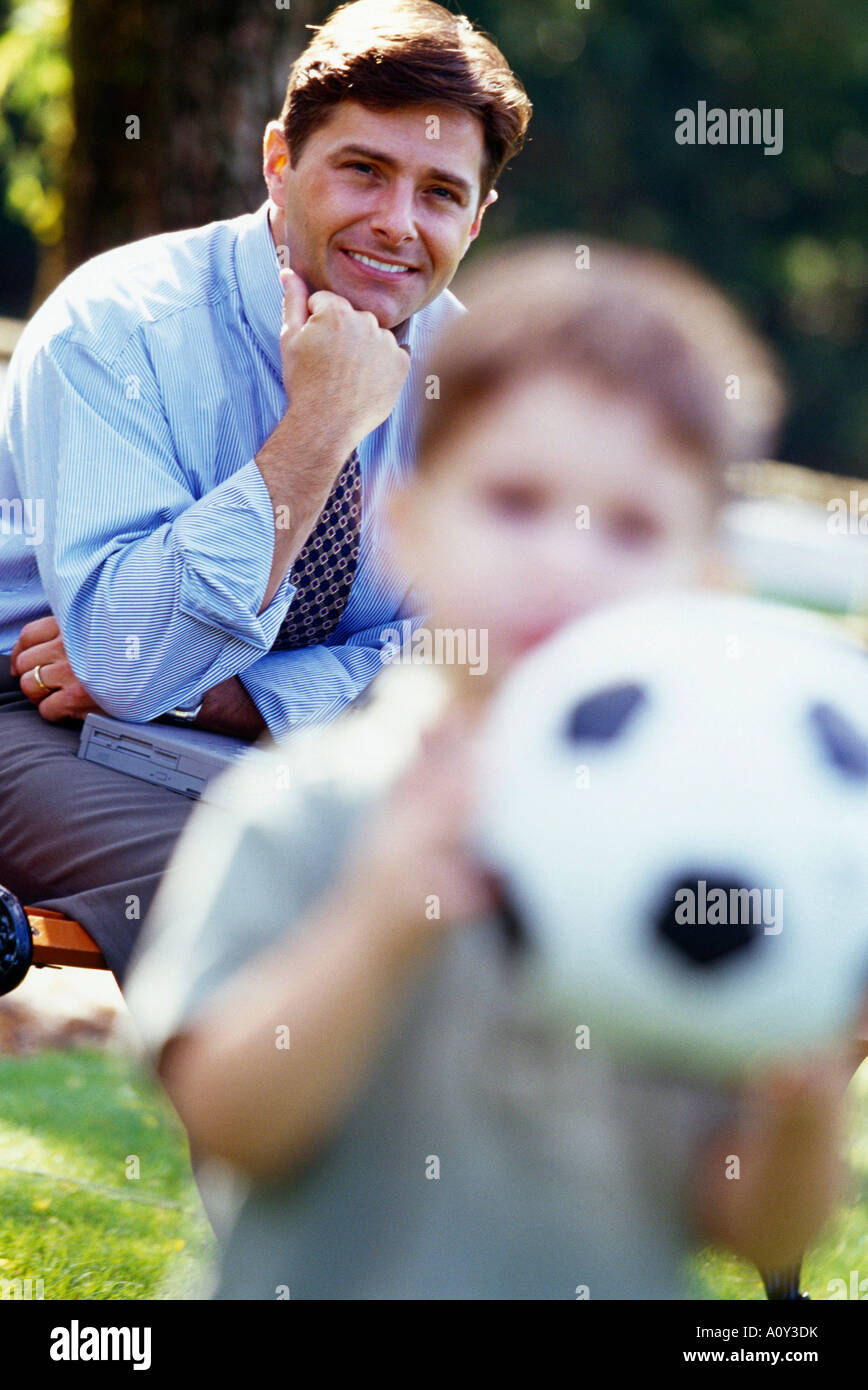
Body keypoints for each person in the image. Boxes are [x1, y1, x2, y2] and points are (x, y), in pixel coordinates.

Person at [123, 239, 848, 1301]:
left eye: (631, 526)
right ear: (410, 529)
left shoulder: (707, 864)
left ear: (705, 583)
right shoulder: (310, 803)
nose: (564, 557)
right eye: (514, 501)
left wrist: (804, 1088)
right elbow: (232, 1125)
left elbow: (743, 1219)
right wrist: (375, 925)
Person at [0, 0, 531, 978]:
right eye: (362, 170)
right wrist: (320, 428)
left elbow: (470, 649)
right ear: (279, 161)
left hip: (289, 753)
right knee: (276, 907)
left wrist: (241, 697)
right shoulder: (120, 324)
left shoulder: (483, 380)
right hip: (37, 723)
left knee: (511, 897)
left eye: (440, 193)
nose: (396, 223)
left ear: (478, 217)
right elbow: (126, 658)